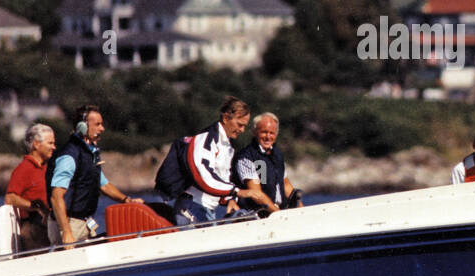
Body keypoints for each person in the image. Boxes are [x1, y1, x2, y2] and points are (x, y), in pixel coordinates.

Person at [46, 105, 143, 246]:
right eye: (97, 124)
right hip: (69, 225)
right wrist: (66, 232)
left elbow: (104, 185)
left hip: (83, 223)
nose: (102, 129)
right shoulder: (69, 156)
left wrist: (127, 200)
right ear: (82, 127)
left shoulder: (89, 153)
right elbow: (56, 196)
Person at [155, 96, 250, 224]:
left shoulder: (228, 147)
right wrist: (238, 191)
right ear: (226, 118)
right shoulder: (206, 139)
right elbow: (202, 177)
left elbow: (223, 177)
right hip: (192, 207)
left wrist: (230, 199)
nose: (242, 130)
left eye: (245, 126)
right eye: (240, 125)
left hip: (208, 210)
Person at [232, 112, 302, 215]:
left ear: (276, 134)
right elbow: (256, 194)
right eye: (264, 132)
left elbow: (286, 186)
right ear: (255, 132)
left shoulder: (277, 155)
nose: (268, 137)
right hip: (257, 216)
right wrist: (279, 214)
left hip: (277, 213)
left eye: (271, 133)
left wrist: (302, 211)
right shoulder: (246, 157)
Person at [4, 122, 55, 252]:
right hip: (34, 228)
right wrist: (35, 206)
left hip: (48, 224)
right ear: (37, 144)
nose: (54, 147)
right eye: (50, 143)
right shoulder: (23, 169)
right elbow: (10, 198)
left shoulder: (46, 168)